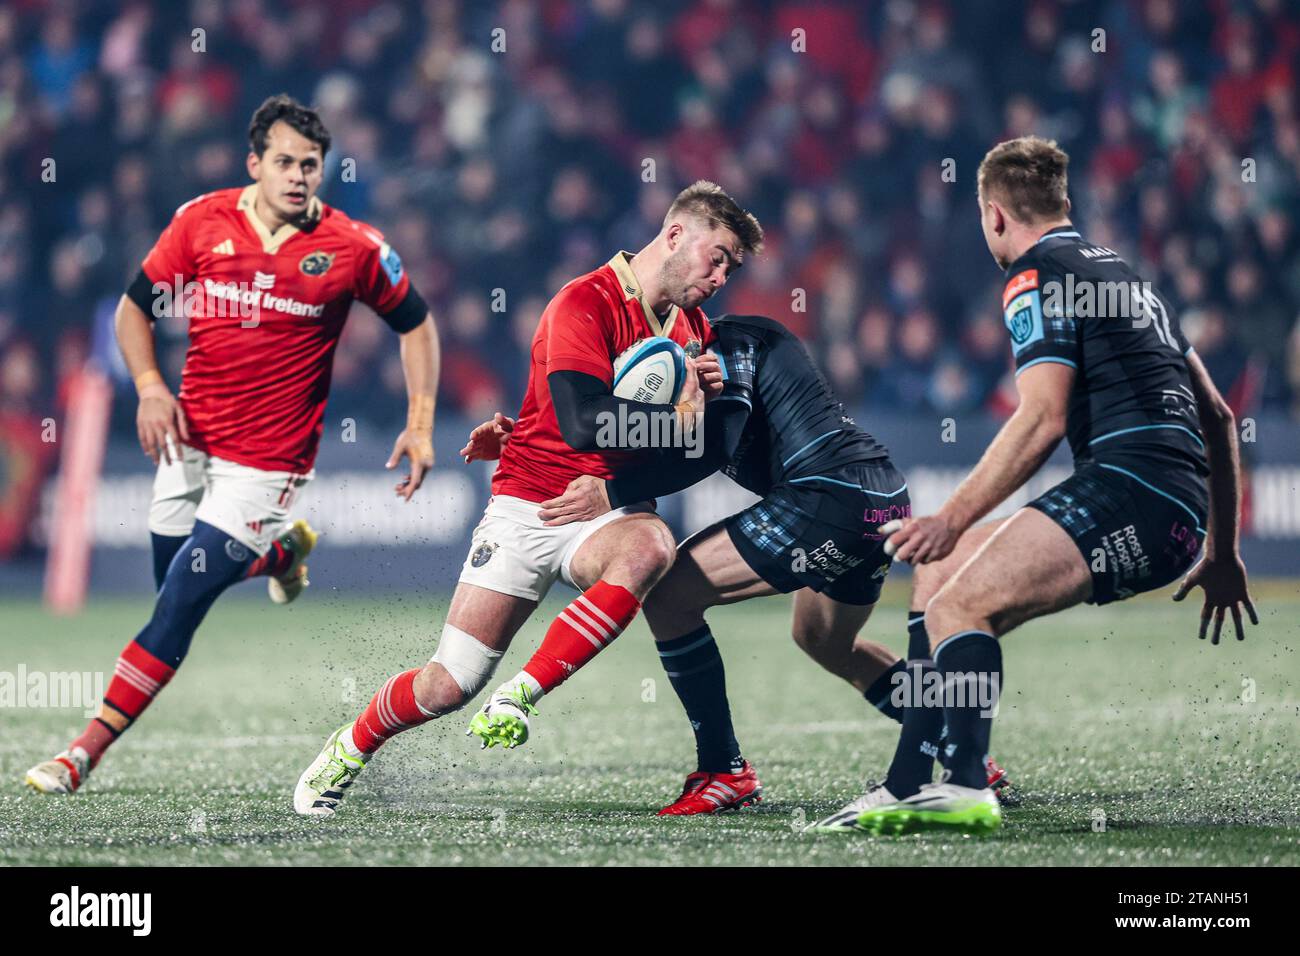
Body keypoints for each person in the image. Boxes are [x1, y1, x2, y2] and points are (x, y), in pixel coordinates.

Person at [293, 182, 763, 817]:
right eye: (719, 255)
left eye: (732, 266)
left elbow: (690, 448)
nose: (721, 275)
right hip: (529, 504)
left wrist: (701, 413)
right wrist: (677, 423)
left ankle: (521, 693)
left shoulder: (693, 329)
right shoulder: (583, 301)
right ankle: (351, 744)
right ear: (676, 234)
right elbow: (580, 422)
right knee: (448, 683)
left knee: (652, 545)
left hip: (607, 511)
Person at [24, 94, 440, 795]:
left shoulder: (354, 247)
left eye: (311, 164)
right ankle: (282, 553)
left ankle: (81, 753)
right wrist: (152, 387)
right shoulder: (199, 223)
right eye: (284, 162)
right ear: (255, 164)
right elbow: (134, 309)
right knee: (173, 583)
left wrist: (421, 419)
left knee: (179, 601)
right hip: (187, 441)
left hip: (267, 465)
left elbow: (418, 325)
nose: (299, 176)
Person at [841, 136, 1256, 836]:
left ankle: (967, 785)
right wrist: (1220, 549)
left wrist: (952, 514)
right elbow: (1217, 414)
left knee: (958, 603)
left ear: (993, 216)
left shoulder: (1035, 274)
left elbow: (1041, 417)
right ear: (1066, 203)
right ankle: (907, 783)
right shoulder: (1131, 279)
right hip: (1172, 507)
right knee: (941, 576)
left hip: (1132, 488)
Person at [460, 313, 1009, 819]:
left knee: (670, 594)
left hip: (826, 498)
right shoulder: (680, 359)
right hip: (878, 495)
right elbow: (642, 435)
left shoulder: (722, 346)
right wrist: (526, 443)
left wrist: (614, 489)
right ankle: (960, 746)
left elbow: (709, 445)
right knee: (822, 640)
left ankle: (725, 770)